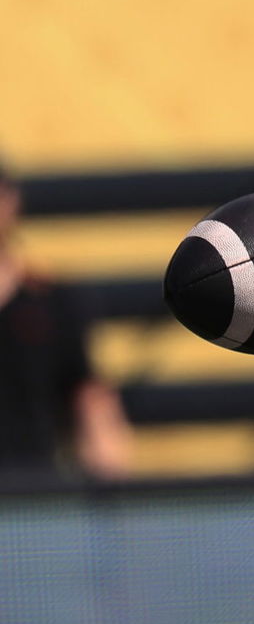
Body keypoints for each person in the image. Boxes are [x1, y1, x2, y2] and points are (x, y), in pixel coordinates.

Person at [0, 162, 132, 483]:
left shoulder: (53, 301)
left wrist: (113, 491)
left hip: (30, 499)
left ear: (11, 201)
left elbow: (90, 398)